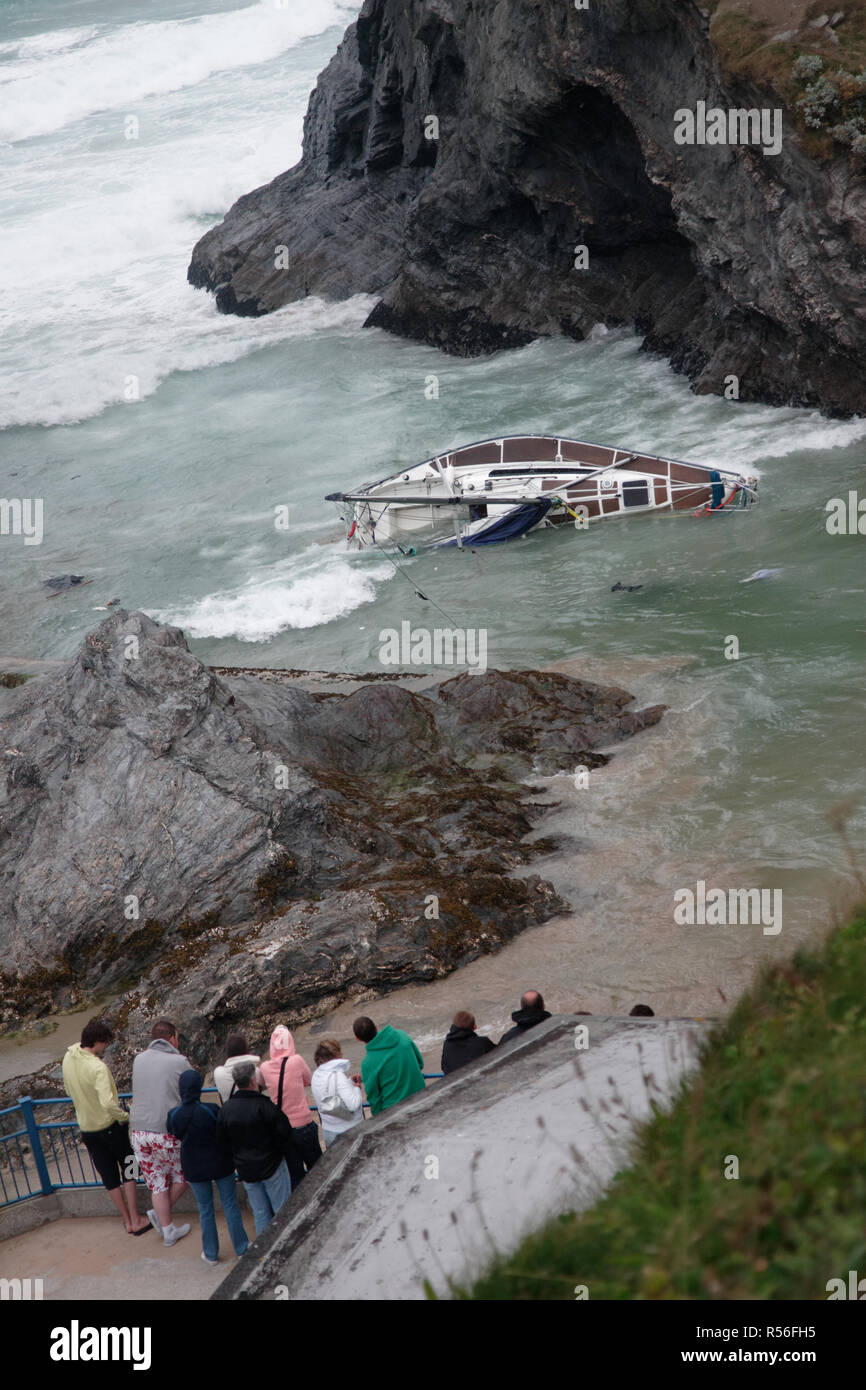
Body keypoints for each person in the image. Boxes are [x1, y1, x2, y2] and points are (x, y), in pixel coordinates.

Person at [62, 1019, 151, 1236]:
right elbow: (108, 1103)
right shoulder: (97, 1067)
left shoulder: (68, 1056)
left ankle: (127, 1220)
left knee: (108, 1176)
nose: (106, 1048)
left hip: (87, 1130)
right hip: (110, 1127)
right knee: (130, 1165)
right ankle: (136, 1217)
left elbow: (67, 1090)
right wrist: (124, 1116)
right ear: (98, 1042)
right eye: (105, 1044)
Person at [166, 1069, 249, 1266]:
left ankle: (211, 1253)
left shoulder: (174, 1114)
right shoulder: (211, 1110)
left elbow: (175, 1134)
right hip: (220, 1162)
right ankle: (242, 1248)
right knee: (230, 1204)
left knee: (205, 1209)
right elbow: (222, 1131)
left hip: (194, 1167)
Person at [129, 1019, 190, 1246]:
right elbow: (190, 1092)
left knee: (157, 1182)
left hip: (138, 1132)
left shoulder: (138, 1059)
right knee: (185, 1174)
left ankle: (167, 1229)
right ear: (172, 1038)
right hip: (164, 1130)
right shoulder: (180, 1061)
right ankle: (159, 1216)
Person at [216, 1061, 293, 1237]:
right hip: (271, 1165)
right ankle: (286, 1246)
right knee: (282, 1210)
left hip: (245, 1169)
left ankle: (264, 1253)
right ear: (253, 1081)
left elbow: (221, 1140)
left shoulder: (226, 1110)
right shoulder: (265, 1106)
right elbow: (285, 1133)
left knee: (260, 1214)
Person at [260, 1025, 321, 1183]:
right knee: (318, 1172)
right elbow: (308, 1079)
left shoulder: (265, 1067)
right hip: (304, 1125)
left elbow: (261, 1085)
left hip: (283, 1130)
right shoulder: (297, 1061)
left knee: (295, 1175)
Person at [352, 1016, 425, 1116]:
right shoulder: (402, 1035)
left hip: (395, 1112)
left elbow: (374, 1099)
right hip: (422, 1097)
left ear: (358, 1038)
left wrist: (379, 1119)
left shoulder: (367, 1063)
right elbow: (420, 1063)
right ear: (375, 1027)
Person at [310, 1040, 364, 1147]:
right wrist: (357, 1088)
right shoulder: (338, 1075)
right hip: (348, 1132)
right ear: (335, 1055)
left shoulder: (316, 1075)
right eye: (339, 1051)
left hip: (329, 1131)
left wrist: (349, 1082)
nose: (342, 1054)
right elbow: (353, 1104)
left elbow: (331, 1091)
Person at [440, 1011, 496, 1075]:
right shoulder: (483, 1042)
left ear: (453, 1027)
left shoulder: (447, 1045)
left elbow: (444, 1067)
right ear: (475, 1027)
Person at [213, 1033, 262, 1104]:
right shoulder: (256, 1071)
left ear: (228, 1051)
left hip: (231, 1113)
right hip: (254, 1111)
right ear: (245, 1048)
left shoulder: (218, 1073)